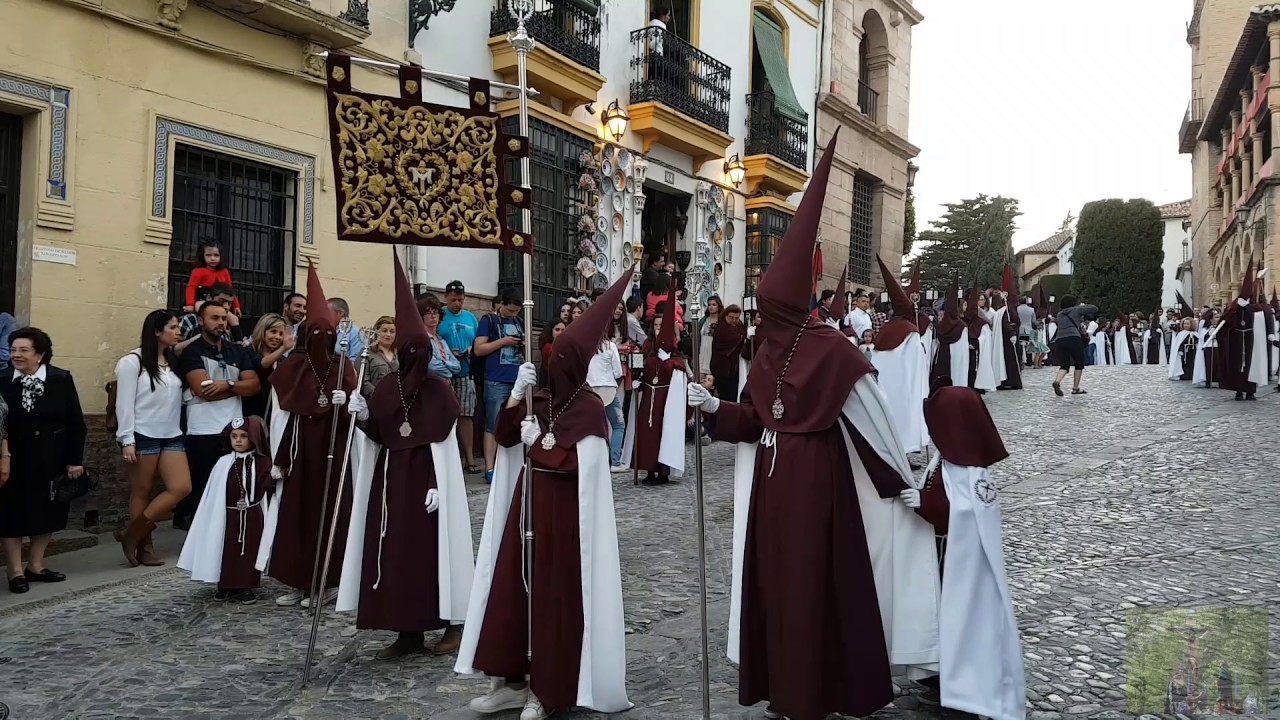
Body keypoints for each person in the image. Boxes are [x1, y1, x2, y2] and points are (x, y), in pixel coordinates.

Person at [687, 133, 940, 720]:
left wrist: (898, 482)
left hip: (820, 493)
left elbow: (870, 420)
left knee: (813, 587)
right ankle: (782, 686)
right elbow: (755, 419)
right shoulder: (772, 349)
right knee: (776, 586)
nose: (762, 319)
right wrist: (710, 409)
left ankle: (817, 692)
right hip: (773, 491)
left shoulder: (833, 350)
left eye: (770, 308)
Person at [456, 269, 633, 720]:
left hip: (563, 519)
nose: (554, 362)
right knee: (514, 592)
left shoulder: (591, 410)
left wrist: (542, 446)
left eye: (562, 357)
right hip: (525, 509)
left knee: (552, 599)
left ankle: (548, 689)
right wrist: (516, 398)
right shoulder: (543, 398)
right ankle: (510, 680)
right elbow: (509, 436)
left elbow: (585, 468)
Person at [339, 255, 474, 660]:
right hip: (393, 479)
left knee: (434, 551)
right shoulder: (388, 387)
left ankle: (453, 622)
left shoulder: (438, 391)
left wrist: (440, 486)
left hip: (429, 482)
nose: (412, 356)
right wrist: (362, 415)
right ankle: (407, 629)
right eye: (407, 349)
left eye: (418, 350)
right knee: (397, 551)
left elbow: (444, 444)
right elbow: (382, 432)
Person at [904, 379, 1025, 720]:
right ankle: (939, 676)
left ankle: (962, 685)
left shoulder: (972, 473)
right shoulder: (947, 460)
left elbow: (966, 515)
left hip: (961, 563)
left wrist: (924, 503)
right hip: (944, 556)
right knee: (942, 618)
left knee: (960, 619)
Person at [258, 266, 357, 608]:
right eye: (312, 332)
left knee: (330, 513)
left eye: (323, 333)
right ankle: (300, 581)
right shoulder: (291, 369)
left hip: (333, 449)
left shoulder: (344, 366)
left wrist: (347, 404)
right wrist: (280, 457)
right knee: (298, 516)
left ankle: (329, 581)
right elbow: (284, 416)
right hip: (300, 453)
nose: (318, 338)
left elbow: (354, 413)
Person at [1, 328, 86, 593]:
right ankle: (15, 571)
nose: (16, 355)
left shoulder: (60, 379)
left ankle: (36, 565)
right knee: (10, 514)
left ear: (40, 354)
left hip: (51, 458)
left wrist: (74, 460)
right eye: (13, 349)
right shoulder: (2, 379)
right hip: (11, 459)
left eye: (23, 350)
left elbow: (76, 423)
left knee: (47, 511)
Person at [114, 310, 191, 567]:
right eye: (172, 327)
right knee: (142, 491)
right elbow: (123, 403)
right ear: (157, 331)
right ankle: (145, 547)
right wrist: (127, 439)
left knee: (181, 487)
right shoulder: (132, 362)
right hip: (142, 433)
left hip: (171, 434)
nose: (178, 331)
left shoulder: (173, 361)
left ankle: (131, 534)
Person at [174, 300, 261, 531]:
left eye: (224, 318)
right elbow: (205, 391)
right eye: (214, 318)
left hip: (233, 429)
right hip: (203, 430)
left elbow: (254, 386)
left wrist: (226, 383)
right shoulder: (192, 352)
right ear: (201, 321)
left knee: (231, 483)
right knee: (204, 485)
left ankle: (227, 532)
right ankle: (201, 534)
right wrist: (237, 385)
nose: (220, 323)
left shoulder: (237, 351)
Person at [177, 416, 272, 603]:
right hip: (226, 514)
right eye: (234, 436)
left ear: (253, 438)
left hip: (252, 514)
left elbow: (266, 485)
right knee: (226, 549)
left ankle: (246, 585)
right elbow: (213, 493)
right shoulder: (223, 463)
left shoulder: (261, 462)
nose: (238, 440)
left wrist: (273, 476)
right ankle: (226, 584)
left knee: (249, 550)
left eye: (243, 436)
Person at [623, 294, 688, 487]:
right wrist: (637, 379)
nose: (659, 329)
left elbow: (680, 369)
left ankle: (663, 471)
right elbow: (642, 367)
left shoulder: (673, 349)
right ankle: (649, 469)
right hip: (649, 393)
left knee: (662, 431)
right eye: (657, 326)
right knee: (647, 433)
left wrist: (666, 360)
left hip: (665, 397)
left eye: (662, 326)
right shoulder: (648, 346)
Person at [869, 256, 929, 455]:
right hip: (905, 386)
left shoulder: (886, 329)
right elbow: (916, 362)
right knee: (904, 416)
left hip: (886, 385)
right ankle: (906, 449)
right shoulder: (910, 331)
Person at [473, 288, 525, 485]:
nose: (513, 314)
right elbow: (479, 349)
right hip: (496, 379)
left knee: (516, 422)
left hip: (516, 378)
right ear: (501, 304)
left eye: (516, 311)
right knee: (493, 423)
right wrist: (503, 341)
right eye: (510, 310)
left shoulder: (519, 322)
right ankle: (489, 467)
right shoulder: (488, 320)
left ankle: (512, 464)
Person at [440, 280, 480, 475]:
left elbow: (480, 340)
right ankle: (450, 457)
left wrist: (472, 349)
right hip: (444, 372)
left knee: (466, 415)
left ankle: (470, 459)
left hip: (466, 371)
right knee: (446, 414)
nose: (457, 303)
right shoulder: (439, 316)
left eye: (461, 300)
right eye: (454, 299)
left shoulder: (471, 318)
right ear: (446, 297)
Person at [1218, 260, 1270, 400]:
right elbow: (1226, 320)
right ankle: (1239, 390)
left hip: (1251, 340)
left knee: (1251, 365)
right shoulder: (1234, 309)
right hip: (1236, 340)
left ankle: (1250, 391)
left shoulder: (1256, 308)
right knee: (1237, 366)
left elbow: (1265, 314)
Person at [587, 328, 625, 472]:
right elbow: (618, 372)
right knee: (618, 425)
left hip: (589, 390)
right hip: (608, 388)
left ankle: (592, 460)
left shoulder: (584, 346)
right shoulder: (610, 346)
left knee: (590, 427)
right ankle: (615, 462)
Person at [244, 313, 293, 421]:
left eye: (281, 334)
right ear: (263, 331)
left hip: (272, 414)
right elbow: (262, 364)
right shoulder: (248, 352)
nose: (277, 337)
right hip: (250, 411)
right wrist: (284, 348)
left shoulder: (282, 360)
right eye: (273, 332)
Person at [1051, 296, 1097, 397]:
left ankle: (1057, 381)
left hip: (1060, 340)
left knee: (1064, 365)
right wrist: (1083, 306)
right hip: (1073, 338)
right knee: (1079, 363)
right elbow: (1094, 308)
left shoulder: (1059, 314)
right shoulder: (1076, 310)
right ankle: (1075, 388)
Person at [931, 275, 969, 388]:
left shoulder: (941, 325)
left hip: (942, 357)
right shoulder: (961, 326)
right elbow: (964, 350)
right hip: (956, 359)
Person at [183, 240, 241, 315]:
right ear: (203, 256)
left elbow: (230, 290)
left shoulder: (224, 271)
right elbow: (191, 287)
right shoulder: (198, 271)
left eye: (216, 255)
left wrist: (236, 306)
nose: (212, 258)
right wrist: (190, 304)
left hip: (221, 302)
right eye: (208, 255)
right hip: (202, 301)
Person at [709, 304, 747, 403]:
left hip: (734, 368)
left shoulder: (740, 326)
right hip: (722, 368)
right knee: (725, 397)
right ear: (725, 316)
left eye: (736, 318)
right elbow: (735, 339)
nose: (734, 320)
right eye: (731, 318)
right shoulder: (721, 328)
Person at [423, 297, 463, 378]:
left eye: (435, 312)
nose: (433, 316)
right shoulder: (422, 339)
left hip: (445, 384)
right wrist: (449, 373)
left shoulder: (442, 341)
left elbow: (457, 366)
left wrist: (444, 363)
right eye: (428, 313)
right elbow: (432, 366)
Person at [362, 316, 398, 398]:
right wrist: (379, 395)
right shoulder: (367, 353)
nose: (388, 334)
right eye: (384, 331)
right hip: (374, 400)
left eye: (392, 331)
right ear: (377, 332)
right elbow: (363, 382)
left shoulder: (400, 354)